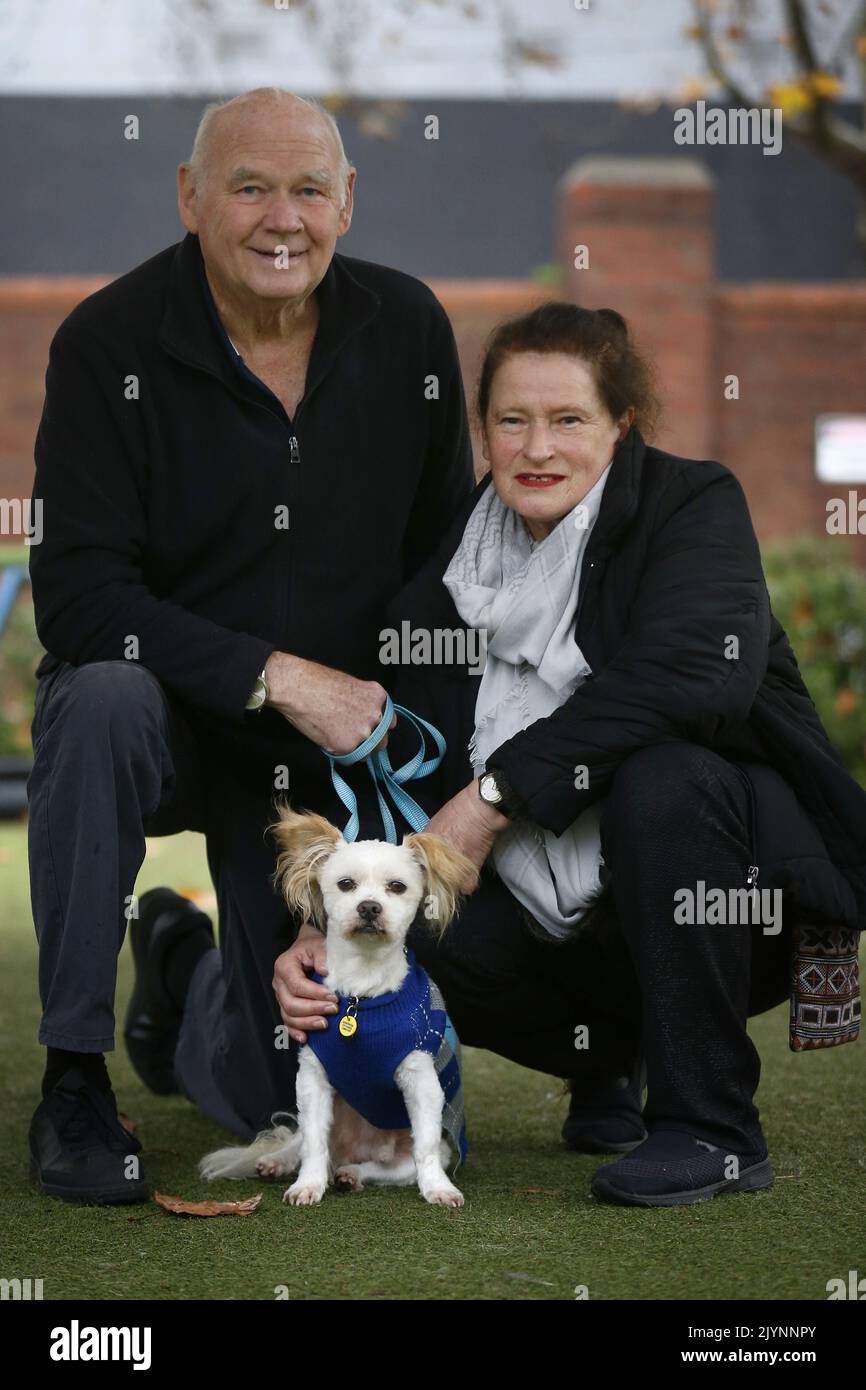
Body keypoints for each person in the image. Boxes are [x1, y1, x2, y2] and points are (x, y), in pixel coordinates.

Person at [275, 302, 864, 1206]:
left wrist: (493, 794)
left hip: (727, 900)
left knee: (665, 782)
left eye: (568, 420)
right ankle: (606, 1061)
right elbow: (404, 769)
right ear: (484, 430)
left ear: (621, 424)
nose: (536, 447)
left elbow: (693, 677)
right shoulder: (452, 572)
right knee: (418, 903)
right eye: (512, 420)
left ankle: (711, 1127)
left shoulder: (691, 503)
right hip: (554, 936)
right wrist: (326, 921)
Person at [26, 87, 474, 1204]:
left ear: (348, 201)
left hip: (327, 764)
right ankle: (72, 1078)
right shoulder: (106, 343)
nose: (284, 218)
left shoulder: (407, 326)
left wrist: (391, 744)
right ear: (189, 197)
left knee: (273, 1080)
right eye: (250, 187)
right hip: (172, 717)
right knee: (100, 695)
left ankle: (174, 969)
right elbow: (79, 596)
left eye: (309, 189)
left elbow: (445, 575)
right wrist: (273, 675)